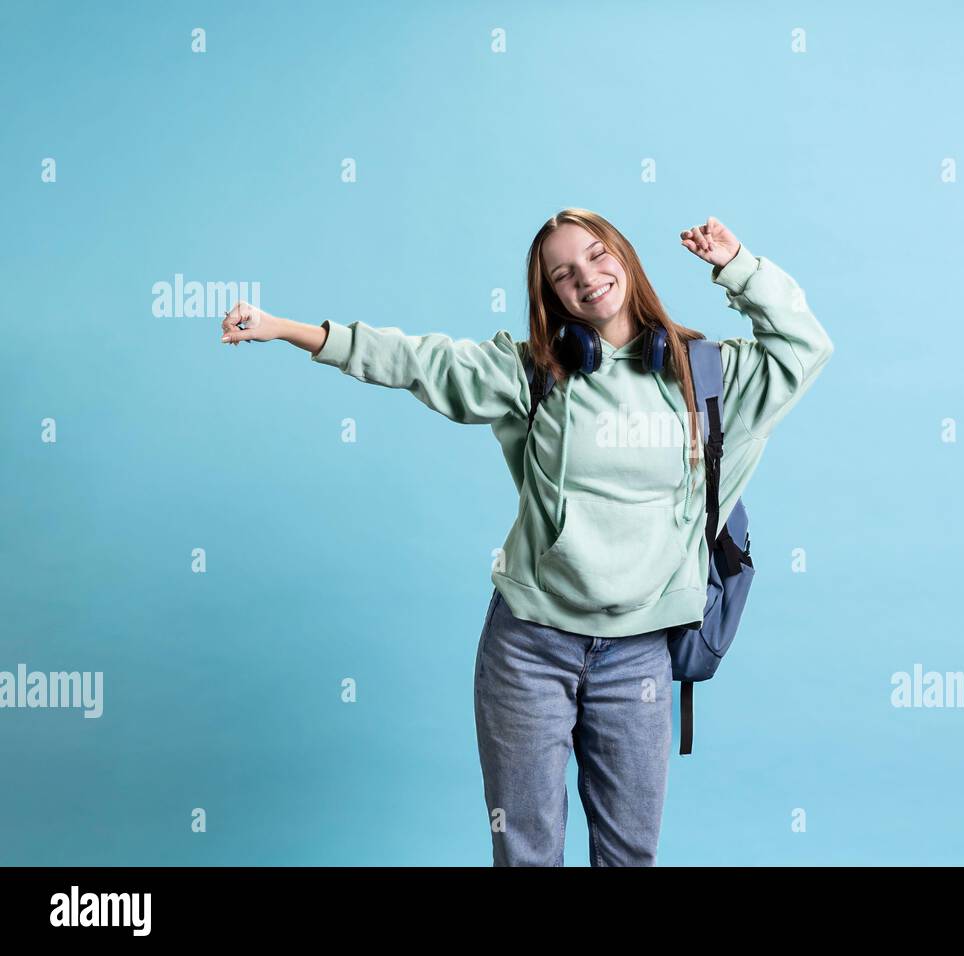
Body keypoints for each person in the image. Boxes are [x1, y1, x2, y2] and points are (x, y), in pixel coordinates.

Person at [220, 210, 833, 865]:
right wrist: (287, 330)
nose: (587, 278)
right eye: (563, 273)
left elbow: (805, 347)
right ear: (550, 296)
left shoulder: (707, 377)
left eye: (598, 257)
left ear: (625, 259)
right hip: (529, 649)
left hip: (641, 655)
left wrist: (736, 266)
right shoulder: (534, 373)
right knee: (526, 854)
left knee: (630, 857)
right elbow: (416, 361)